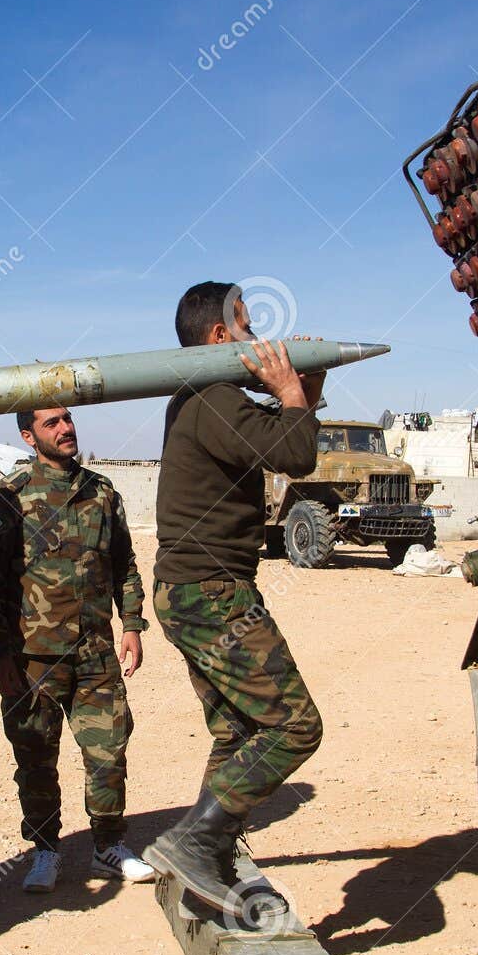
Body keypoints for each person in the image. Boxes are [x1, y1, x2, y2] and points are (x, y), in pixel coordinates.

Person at [142, 281, 325, 921]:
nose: (256, 337)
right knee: (295, 725)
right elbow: (296, 453)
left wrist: (310, 383)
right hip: (210, 592)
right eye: (246, 325)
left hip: (193, 589)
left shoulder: (202, 398)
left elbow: (273, 436)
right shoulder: (215, 398)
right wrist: (292, 392)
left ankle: (207, 855)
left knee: (237, 731)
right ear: (220, 337)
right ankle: (197, 839)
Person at [0, 406, 156, 893]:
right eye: (51, 423)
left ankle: (108, 846)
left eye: (68, 419)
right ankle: (45, 850)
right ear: (28, 436)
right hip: (32, 658)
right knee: (35, 757)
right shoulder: (9, 497)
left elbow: (125, 564)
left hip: (95, 653)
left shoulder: (101, 493)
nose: (66, 428)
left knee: (108, 752)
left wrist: (133, 624)